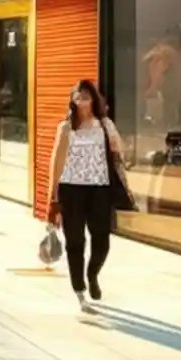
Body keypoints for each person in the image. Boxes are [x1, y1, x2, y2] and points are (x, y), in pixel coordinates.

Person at [47, 80, 124, 313]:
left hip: (99, 188)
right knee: (75, 241)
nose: (81, 101)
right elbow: (57, 161)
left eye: (86, 97)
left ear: (94, 99)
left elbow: (118, 151)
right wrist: (53, 196)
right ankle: (79, 290)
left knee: (101, 239)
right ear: (72, 100)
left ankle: (92, 273)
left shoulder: (104, 124)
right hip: (71, 189)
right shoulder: (66, 127)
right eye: (77, 97)